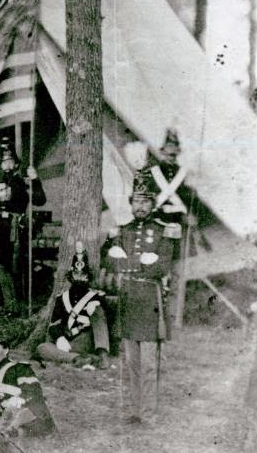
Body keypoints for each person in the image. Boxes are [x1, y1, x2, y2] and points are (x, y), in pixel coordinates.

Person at [101, 176, 174, 424]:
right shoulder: (123, 231)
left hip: (150, 302)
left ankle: (149, 415)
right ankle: (134, 411)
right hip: (129, 300)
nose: (141, 206)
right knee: (131, 362)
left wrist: (126, 262)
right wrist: (139, 262)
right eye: (137, 201)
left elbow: (161, 267)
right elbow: (107, 261)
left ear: (152, 204)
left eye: (145, 202)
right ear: (131, 204)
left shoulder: (163, 231)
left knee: (149, 364)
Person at [0, 137, 46, 313]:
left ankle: (18, 305)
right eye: (4, 161)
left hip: (15, 228)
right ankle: (7, 303)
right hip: (1, 228)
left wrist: (36, 180)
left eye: (10, 160)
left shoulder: (23, 181)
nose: (6, 164)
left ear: (17, 163)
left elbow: (40, 200)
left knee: (15, 267)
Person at [0, 334, 56, 446]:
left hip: (32, 417)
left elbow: (34, 393)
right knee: (12, 428)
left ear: (6, 350)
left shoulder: (20, 368)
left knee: (19, 416)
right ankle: (1, 435)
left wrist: (16, 400)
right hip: (6, 420)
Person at [36, 242, 111, 368]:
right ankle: (77, 359)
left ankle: (102, 354)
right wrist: (59, 338)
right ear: (71, 276)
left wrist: (98, 305)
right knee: (42, 348)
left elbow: (107, 320)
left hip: (85, 339)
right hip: (67, 342)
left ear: (88, 277)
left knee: (98, 311)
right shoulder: (62, 298)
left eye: (83, 275)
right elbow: (54, 323)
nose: (79, 278)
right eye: (76, 275)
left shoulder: (96, 296)